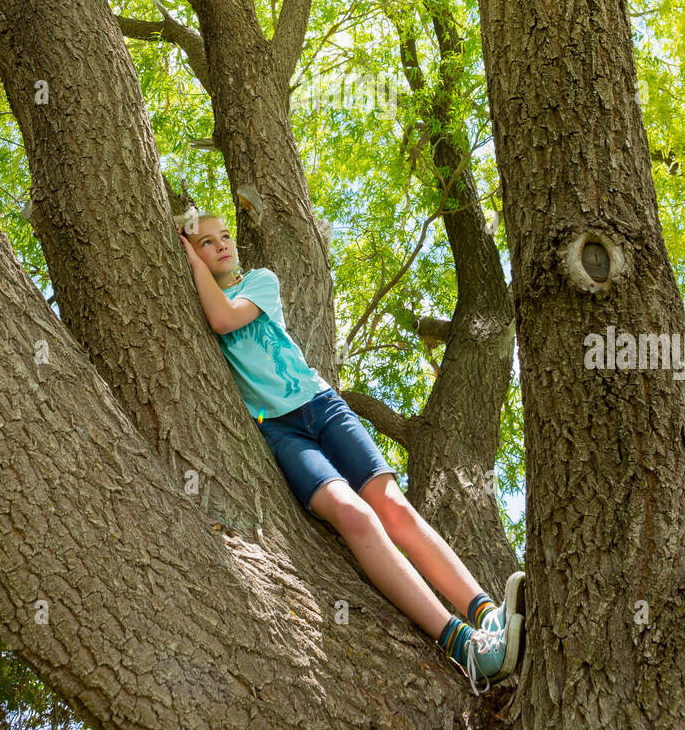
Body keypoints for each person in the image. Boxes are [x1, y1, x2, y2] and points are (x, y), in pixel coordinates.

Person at [176, 207, 525, 696]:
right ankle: (464, 645)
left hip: (322, 405)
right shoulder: (193, 300)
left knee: (392, 506)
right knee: (352, 513)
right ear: (193, 254)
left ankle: (487, 612)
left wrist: (193, 258)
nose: (221, 245)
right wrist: (189, 261)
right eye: (206, 243)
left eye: (224, 236)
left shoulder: (260, 281)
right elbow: (211, 316)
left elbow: (224, 318)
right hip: (280, 431)